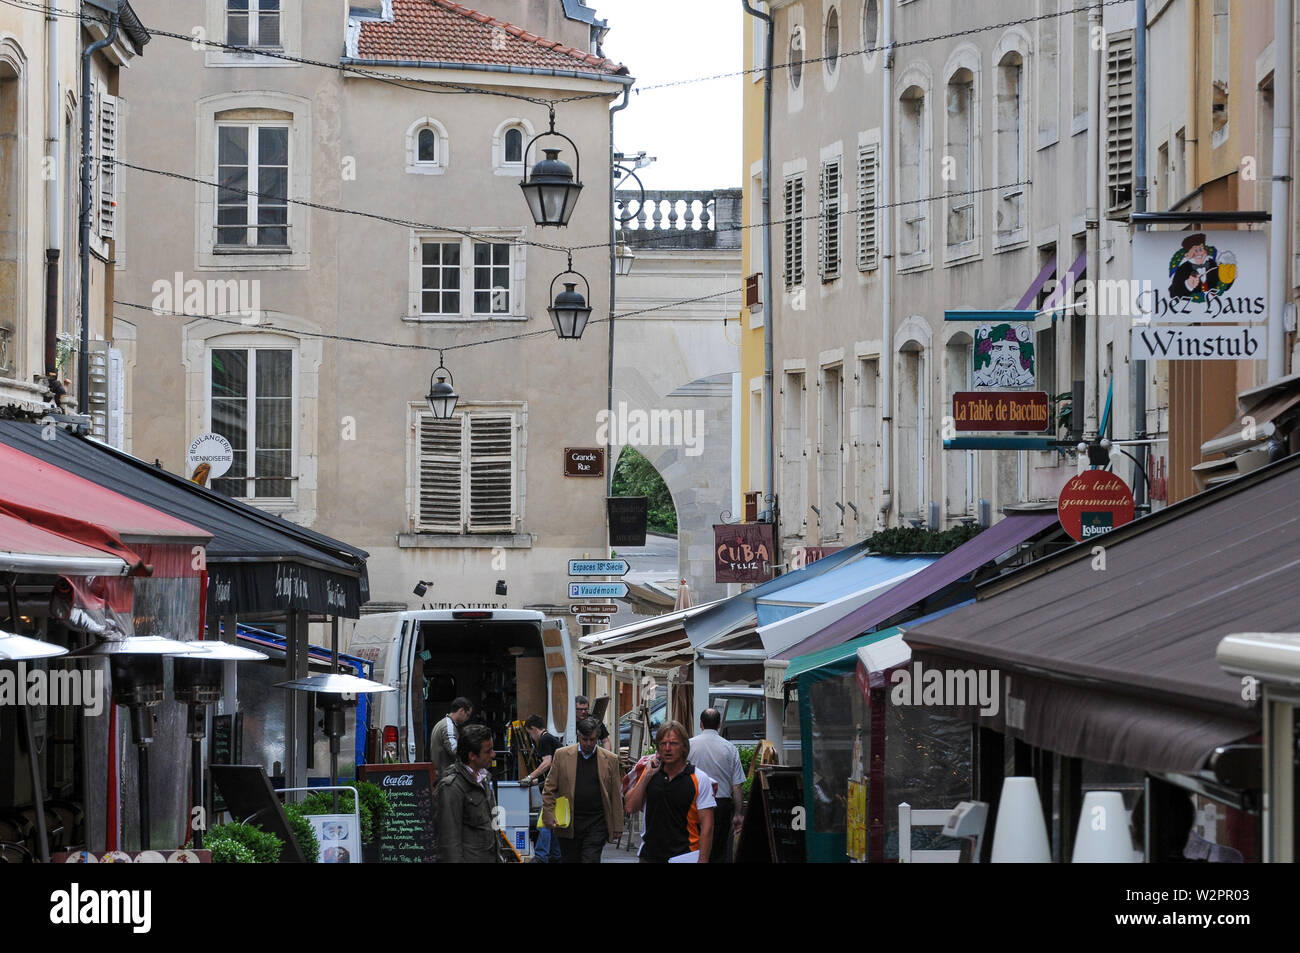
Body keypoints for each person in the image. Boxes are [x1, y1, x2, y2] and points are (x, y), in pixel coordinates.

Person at [624, 720, 715, 863]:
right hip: (650, 856)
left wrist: (703, 859)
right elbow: (630, 807)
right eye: (663, 744)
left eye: (673, 743)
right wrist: (647, 776)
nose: (667, 748)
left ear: (684, 747)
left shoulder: (699, 779)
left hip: (685, 856)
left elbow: (707, 826)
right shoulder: (650, 774)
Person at [541, 717, 623, 863]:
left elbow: (615, 794)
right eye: (585, 739)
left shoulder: (610, 759)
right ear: (578, 736)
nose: (588, 743)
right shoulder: (562, 755)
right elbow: (549, 787)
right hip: (569, 822)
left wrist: (617, 825)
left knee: (590, 859)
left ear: (597, 738)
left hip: (597, 822)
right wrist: (548, 813)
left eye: (592, 740)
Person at [436, 723, 502, 863]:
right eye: (488, 751)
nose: (493, 754)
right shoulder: (451, 787)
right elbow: (449, 843)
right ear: (472, 755)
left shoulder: (483, 778)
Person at [688, 709, 746, 863]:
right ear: (719, 724)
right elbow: (737, 785)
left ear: (701, 723)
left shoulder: (689, 745)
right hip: (721, 804)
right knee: (718, 850)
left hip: (694, 803)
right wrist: (738, 813)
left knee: (694, 847)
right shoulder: (729, 748)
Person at [520, 714, 562, 863]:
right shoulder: (550, 738)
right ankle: (556, 856)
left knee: (544, 821)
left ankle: (541, 856)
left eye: (530, 733)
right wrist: (536, 780)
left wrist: (530, 777)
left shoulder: (544, 739)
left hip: (554, 787)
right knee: (550, 822)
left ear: (534, 729)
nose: (531, 737)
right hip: (557, 784)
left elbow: (547, 763)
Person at [429, 696, 473, 780]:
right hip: (446, 777)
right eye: (467, 715)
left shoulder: (443, 723)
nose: (467, 719)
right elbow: (455, 750)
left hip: (442, 776)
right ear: (461, 711)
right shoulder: (448, 726)